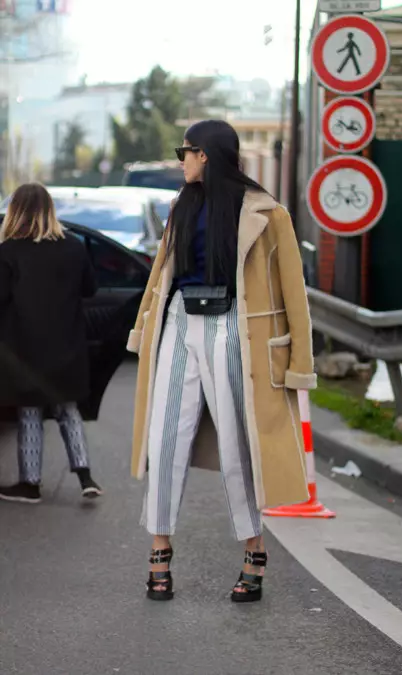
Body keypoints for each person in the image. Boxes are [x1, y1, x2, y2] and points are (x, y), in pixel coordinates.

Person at [127, 120, 316, 603]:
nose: (180, 160)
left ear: (206, 154)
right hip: (178, 322)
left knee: (238, 445)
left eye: (185, 152)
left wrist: (299, 361)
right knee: (164, 438)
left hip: (235, 327)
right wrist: (144, 325)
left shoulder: (267, 214)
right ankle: (159, 550)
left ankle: (254, 551)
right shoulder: (179, 207)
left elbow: (294, 292)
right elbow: (161, 276)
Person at [0, 183, 102, 504]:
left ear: (16, 211)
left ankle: (30, 484)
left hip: (25, 350)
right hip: (67, 347)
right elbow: (90, 289)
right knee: (68, 410)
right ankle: (85, 476)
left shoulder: (8, 252)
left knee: (30, 413)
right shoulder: (74, 247)